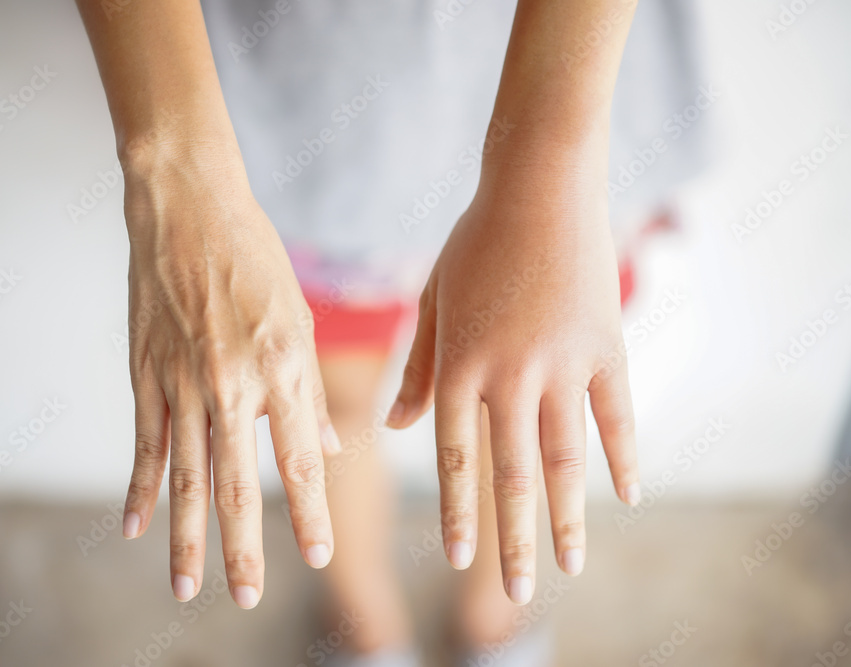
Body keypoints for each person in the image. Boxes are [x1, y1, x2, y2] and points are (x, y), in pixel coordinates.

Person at [75, 0, 647, 662]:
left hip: (560, 70)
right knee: (329, 403)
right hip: (317, 116)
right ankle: (364, 617)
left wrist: (553, 159)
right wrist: (172, 165)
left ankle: (497, 607)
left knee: (514, 393)